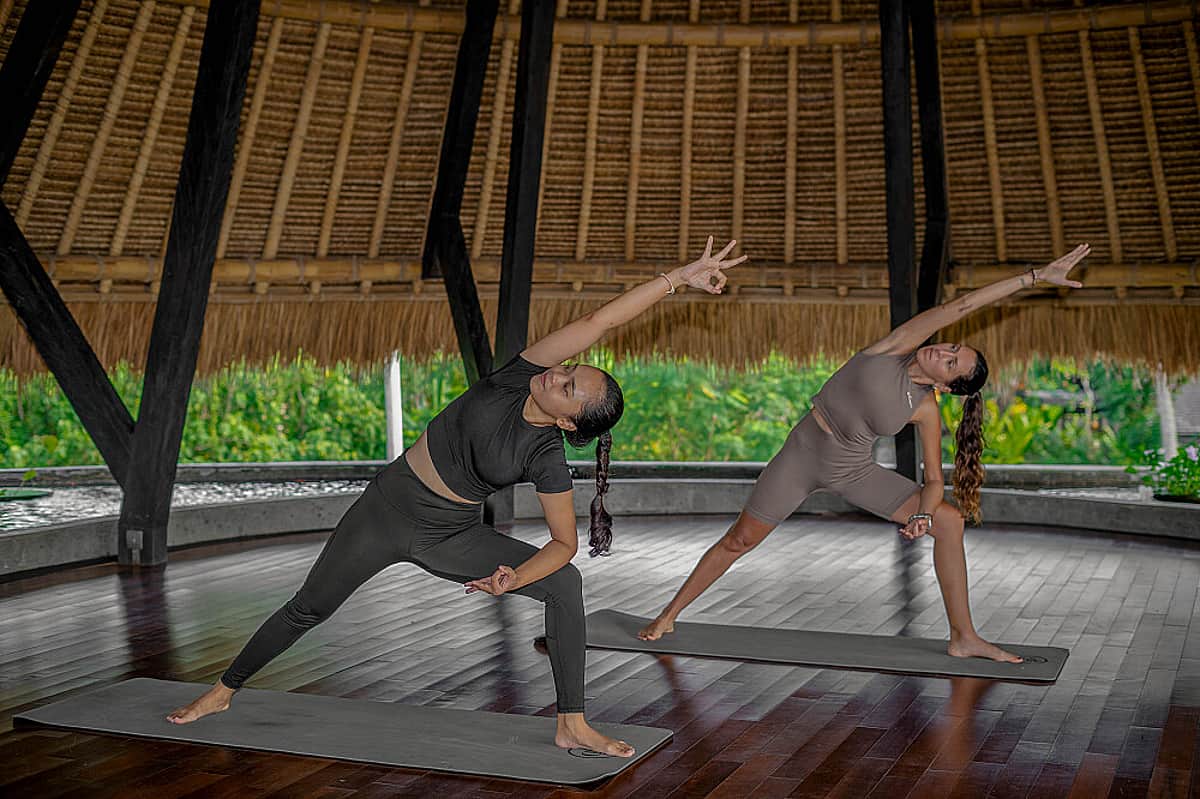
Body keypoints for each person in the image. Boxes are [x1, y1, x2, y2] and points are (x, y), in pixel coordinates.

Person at [166, 237, 747, 757]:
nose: (559, 375)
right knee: (308, 608)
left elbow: (564, 543)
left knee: (564, 585)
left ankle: (572, 722)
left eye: (569, 388)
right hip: (386, 510)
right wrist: (676, 279)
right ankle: (222, 691)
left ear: (571, 425)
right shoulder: (519, 375)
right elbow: (599, 320)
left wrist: (513, 579)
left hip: (451, 533)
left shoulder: (545, 457)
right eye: (570, 369)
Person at [637, 245, 1092, 664]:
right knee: (740, 540)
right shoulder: (894, 348)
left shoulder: (926, 408)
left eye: (951, 363)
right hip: (800, 457)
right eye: (952, 348)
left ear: (944, 386)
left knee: (949, 522)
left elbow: (934, 480)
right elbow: (959, 307)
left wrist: (925, 516)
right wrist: (1032, 278)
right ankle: (670, 613)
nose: (943, 352)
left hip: (852, 470)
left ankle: (964, 636)